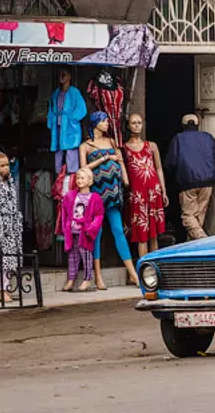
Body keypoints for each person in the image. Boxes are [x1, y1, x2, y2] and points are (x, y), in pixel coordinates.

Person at [80, 111, 138, 289]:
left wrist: (125, 179)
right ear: (96, 123)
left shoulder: (111, 141)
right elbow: (83, 169)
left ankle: (133, 274)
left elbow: (120, 161)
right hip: (96, 193)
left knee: (118, 231)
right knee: (96, 234)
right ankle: (97, 276)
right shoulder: (86, 146)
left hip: (113, 192)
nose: (107, 124)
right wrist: (105, 158)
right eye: (104, 121)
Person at [166, 114, 215, 241]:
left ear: (183, 126)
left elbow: (171, 163)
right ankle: (192, 247)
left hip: (187, 181)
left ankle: (203, 240)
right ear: (197, 125)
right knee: (198, 218)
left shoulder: (178, 139)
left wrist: (173, 178)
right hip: (207, 181)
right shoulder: (208, 137)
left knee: (188, 216)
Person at [122, 112, 168, 258]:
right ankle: (144, 268)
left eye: (139, 122)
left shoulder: (151, 146)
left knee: (154, 233)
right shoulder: (124, 148)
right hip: (137, 194)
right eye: (134, 123)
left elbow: (158, 168)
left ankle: (154, 269)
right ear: (128, 126)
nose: (137, 125)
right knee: (141, 233)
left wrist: (164, 191)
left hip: (153, 191)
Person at [59, 167, 103, 293]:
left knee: (87, 255)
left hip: (85, 232)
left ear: (90, 181)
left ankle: (87, 278)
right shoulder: (71, 196)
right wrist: (65, 227)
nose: (79, 180)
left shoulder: (95, 198)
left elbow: (99, 216)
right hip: (72, 231)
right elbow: (65, 213)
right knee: (72, 255)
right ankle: (71, 279)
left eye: (82, 178)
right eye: (78, 178)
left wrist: (91, 228)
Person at [0, 151, 22, 303]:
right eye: (1, 166)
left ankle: (3, 289)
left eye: (7, 165)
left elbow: (13, 205)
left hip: (9, 229)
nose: (6, 168)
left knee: (6, 262)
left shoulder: (9, 184)